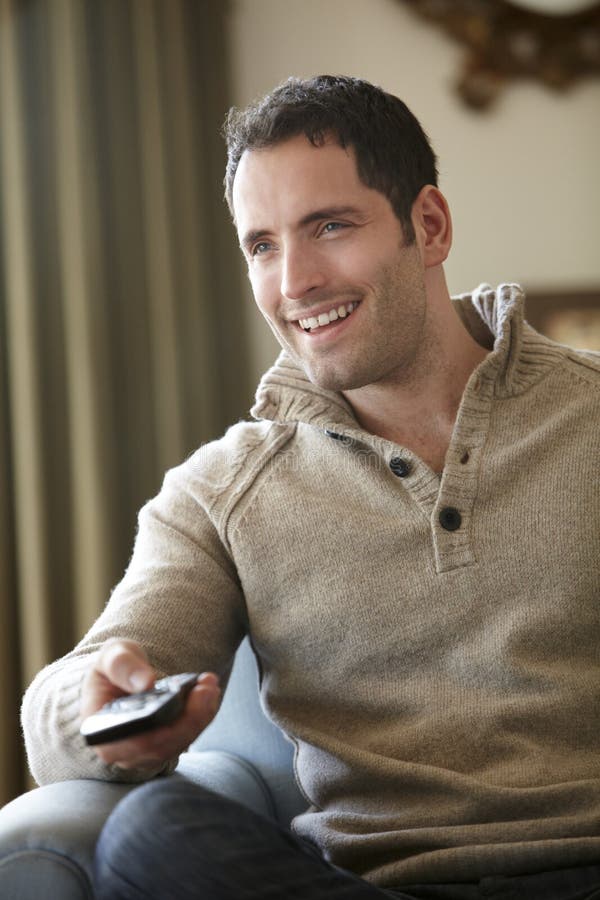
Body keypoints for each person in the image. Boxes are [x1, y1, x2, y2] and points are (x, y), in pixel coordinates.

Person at [21, 75, 600, 899]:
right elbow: (71, 698)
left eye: (329, 226)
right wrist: (97, 708)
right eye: (262, 245)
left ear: (427, 226)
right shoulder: (222, 490)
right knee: (155, 836)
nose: (294, 281)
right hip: (380, 889)